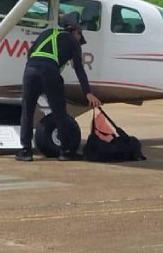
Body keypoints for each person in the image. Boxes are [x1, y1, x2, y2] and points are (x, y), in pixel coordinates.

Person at [17, 14, 101, 162]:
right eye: (80, 38)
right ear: (76, 32)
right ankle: (65, 151)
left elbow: (30, 54)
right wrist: (88, 93)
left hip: (30, 70)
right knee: (59, 112)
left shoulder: (47, 33)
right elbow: (79, 69)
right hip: (49, 71)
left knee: (27, 110)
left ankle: (26, 151)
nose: (79, 42)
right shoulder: (73, 42)